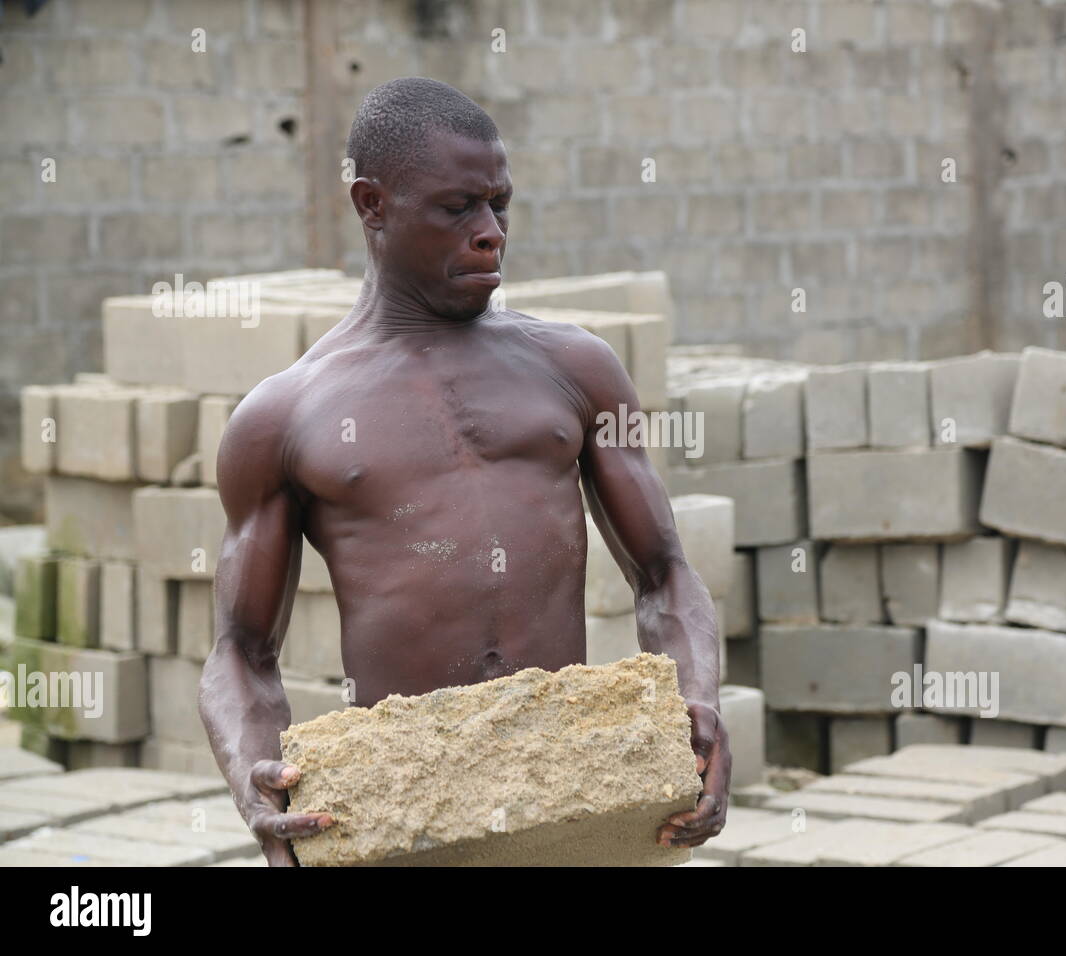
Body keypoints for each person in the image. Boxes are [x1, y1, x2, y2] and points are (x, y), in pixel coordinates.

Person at [197, 78, 729, 866]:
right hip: (408, 810)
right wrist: (254, 780)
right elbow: (240, 649)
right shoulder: (283, 418)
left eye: (500, 205)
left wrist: (700, 701)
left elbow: (664, 573)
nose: (491, 235)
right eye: (457, 209)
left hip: (570, 791)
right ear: (371, 204)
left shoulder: (576, 367)